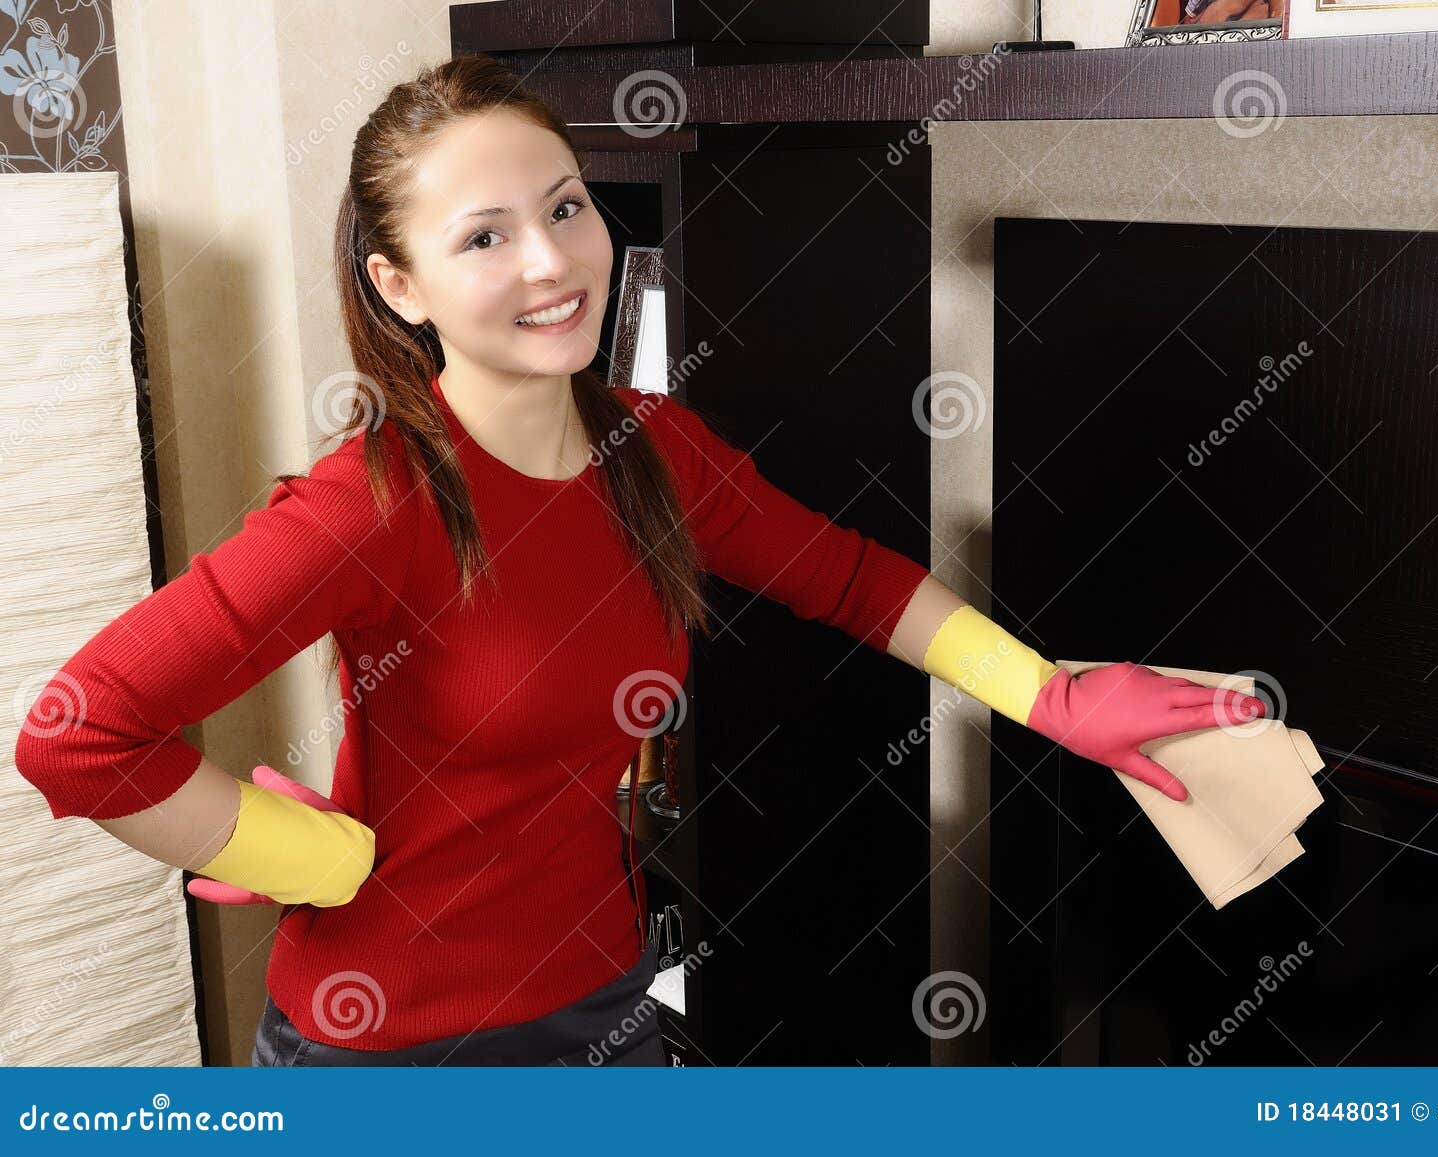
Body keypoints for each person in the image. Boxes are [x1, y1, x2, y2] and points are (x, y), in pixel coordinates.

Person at [11, 54, 1267, 1066]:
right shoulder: (372, 504)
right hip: (388, 1044)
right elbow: (76, 734)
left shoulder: (650, 449)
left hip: (604, 1003)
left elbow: (850, 580)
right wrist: (297, 854)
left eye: (564, 207)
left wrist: (1050, 695)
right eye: (484, 238)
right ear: (399, 285)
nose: (554, 262)